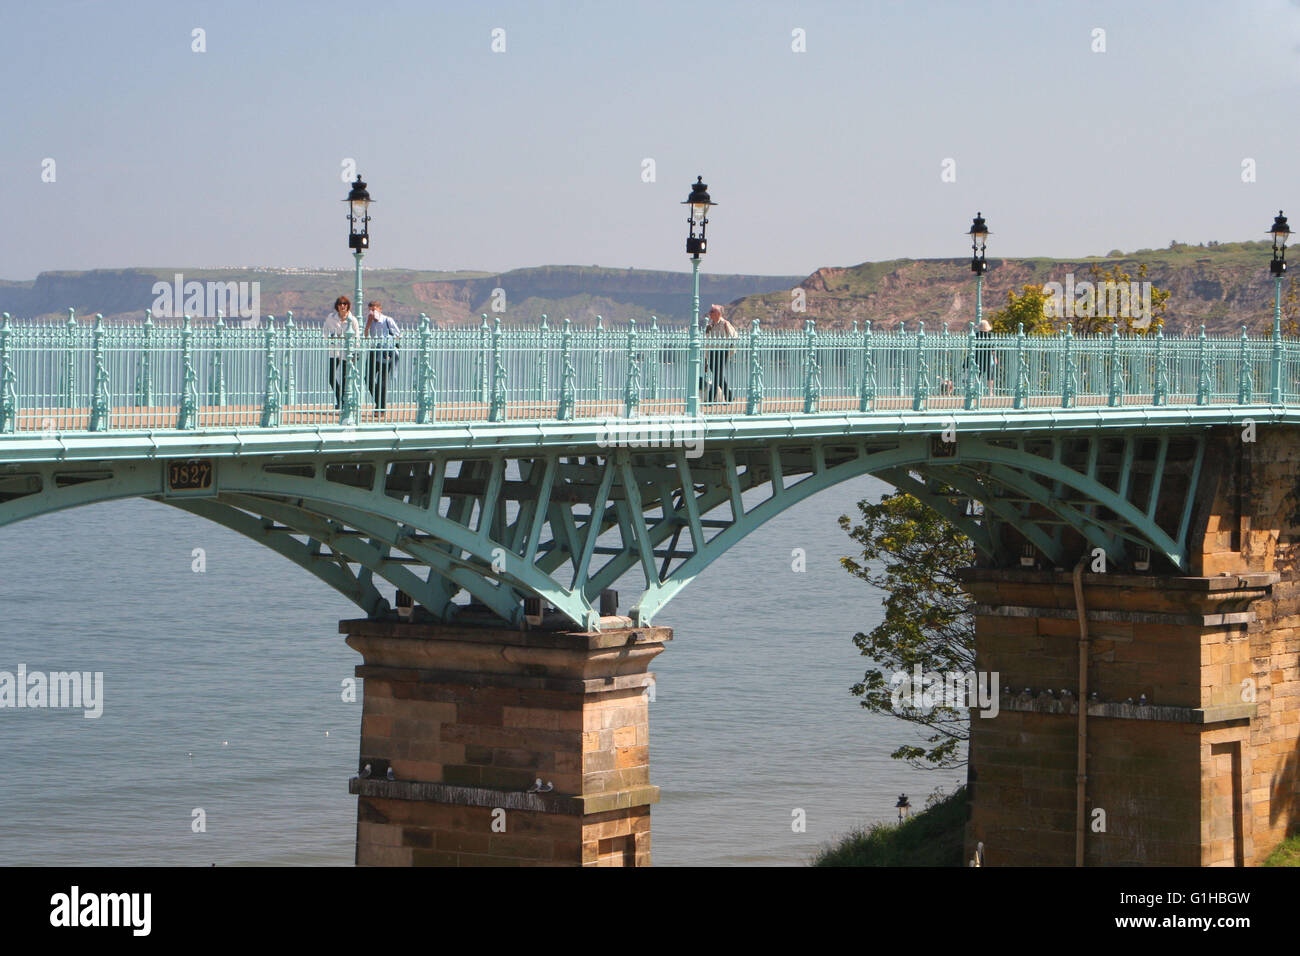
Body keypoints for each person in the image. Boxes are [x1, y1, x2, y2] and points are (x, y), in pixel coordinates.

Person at [363, 300, 401, 415]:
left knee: (382, 380)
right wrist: (368, 325)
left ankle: (381, 408)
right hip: (374, 350)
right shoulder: (370, 321)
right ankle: (379, 403)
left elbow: (398, 334)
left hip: (386, 351)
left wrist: (390, 347)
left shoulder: (387, 320)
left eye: (374, 310)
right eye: (370, 310)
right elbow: (366, 337)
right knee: (368, 378)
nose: (372, 312)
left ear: (380, 309)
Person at [324, 296, 359, 408]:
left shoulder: (352, 319)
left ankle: (343, 402)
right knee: (331, 377)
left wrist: (354, 351)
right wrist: (330, 340)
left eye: (344, 304)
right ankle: (340, 398)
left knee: (345, 377)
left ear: (348, 306)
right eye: (340, 304)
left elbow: (357, 335)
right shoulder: (331, 317)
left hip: (347, 352)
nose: (342, 306)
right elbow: (325, 331)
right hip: (334, 351)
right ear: (337, 306)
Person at [700, 304, 738, 404]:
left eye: (712, 312)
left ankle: (710, 397)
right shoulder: (710, 326)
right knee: (718, 376)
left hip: (722, 352)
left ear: (718, 313)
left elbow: (732, 337)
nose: (710, 313)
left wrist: (728, 350)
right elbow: (707, 342)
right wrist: (706, 357)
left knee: (717, 375)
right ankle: (729, 396)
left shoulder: (725, 324)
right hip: (712, 353)